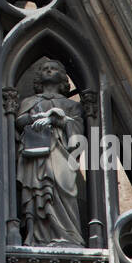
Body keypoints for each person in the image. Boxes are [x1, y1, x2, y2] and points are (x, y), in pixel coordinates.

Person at [15, 56, 85, 246]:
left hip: (60, 153)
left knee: (61, 189)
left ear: (63, 77)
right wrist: (33, 119)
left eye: (53, 68)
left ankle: (67, 236)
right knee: (36, 190)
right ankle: (35, 235)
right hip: (35, 154)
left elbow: (78, 132)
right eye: (44, 68)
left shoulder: (72, 105)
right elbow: (18, 121)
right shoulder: (29, 101)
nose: (48, 70)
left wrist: (55, 120)